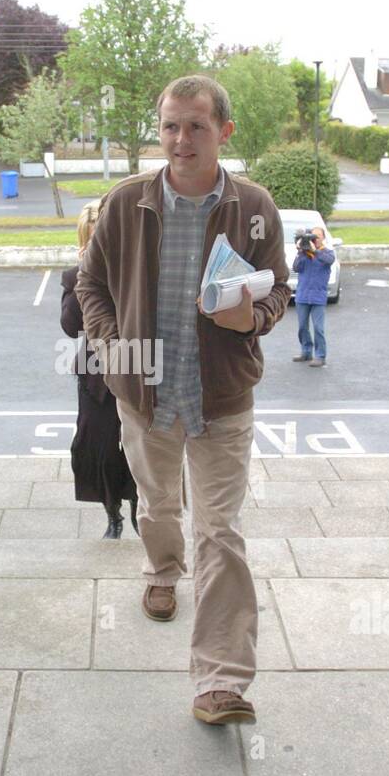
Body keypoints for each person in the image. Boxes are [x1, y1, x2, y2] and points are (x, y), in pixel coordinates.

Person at [77, 74, 290, 725]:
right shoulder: (126, 203)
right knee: (160, 502)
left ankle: (221, 679)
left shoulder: (254, 206)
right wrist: (115, 352)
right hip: (144, 396)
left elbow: (279, 289)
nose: (180, 139)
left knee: (220, 530)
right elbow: (90, 283)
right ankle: (162, 568)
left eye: (196, 126)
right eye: (171, 125)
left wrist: (251, 319)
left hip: (222, 400)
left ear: (224, 131)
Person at [60, 200, 139, 539]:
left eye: (101, 239)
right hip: (95, 372)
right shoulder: (74, 277)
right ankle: (113, 513)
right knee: (97, 446)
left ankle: (140, 509)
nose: (98, 248)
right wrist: (83, 280)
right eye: (90, 241)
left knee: (142, 445)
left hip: (139, 363)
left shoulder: (135, 271)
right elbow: (69, 326)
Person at [290, 226, 334, 367]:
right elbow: (296, 268)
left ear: (323, 239)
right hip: (302, 296)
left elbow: (328, 261)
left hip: (318, 297)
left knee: (318, 328)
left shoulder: (327, 253)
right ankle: (306, 351)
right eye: (312, 237)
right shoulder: (304, 254)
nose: (314, 240)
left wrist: (315, 251)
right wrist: (300, 251)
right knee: (302, 327)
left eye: (317, 238)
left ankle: (320, 356)